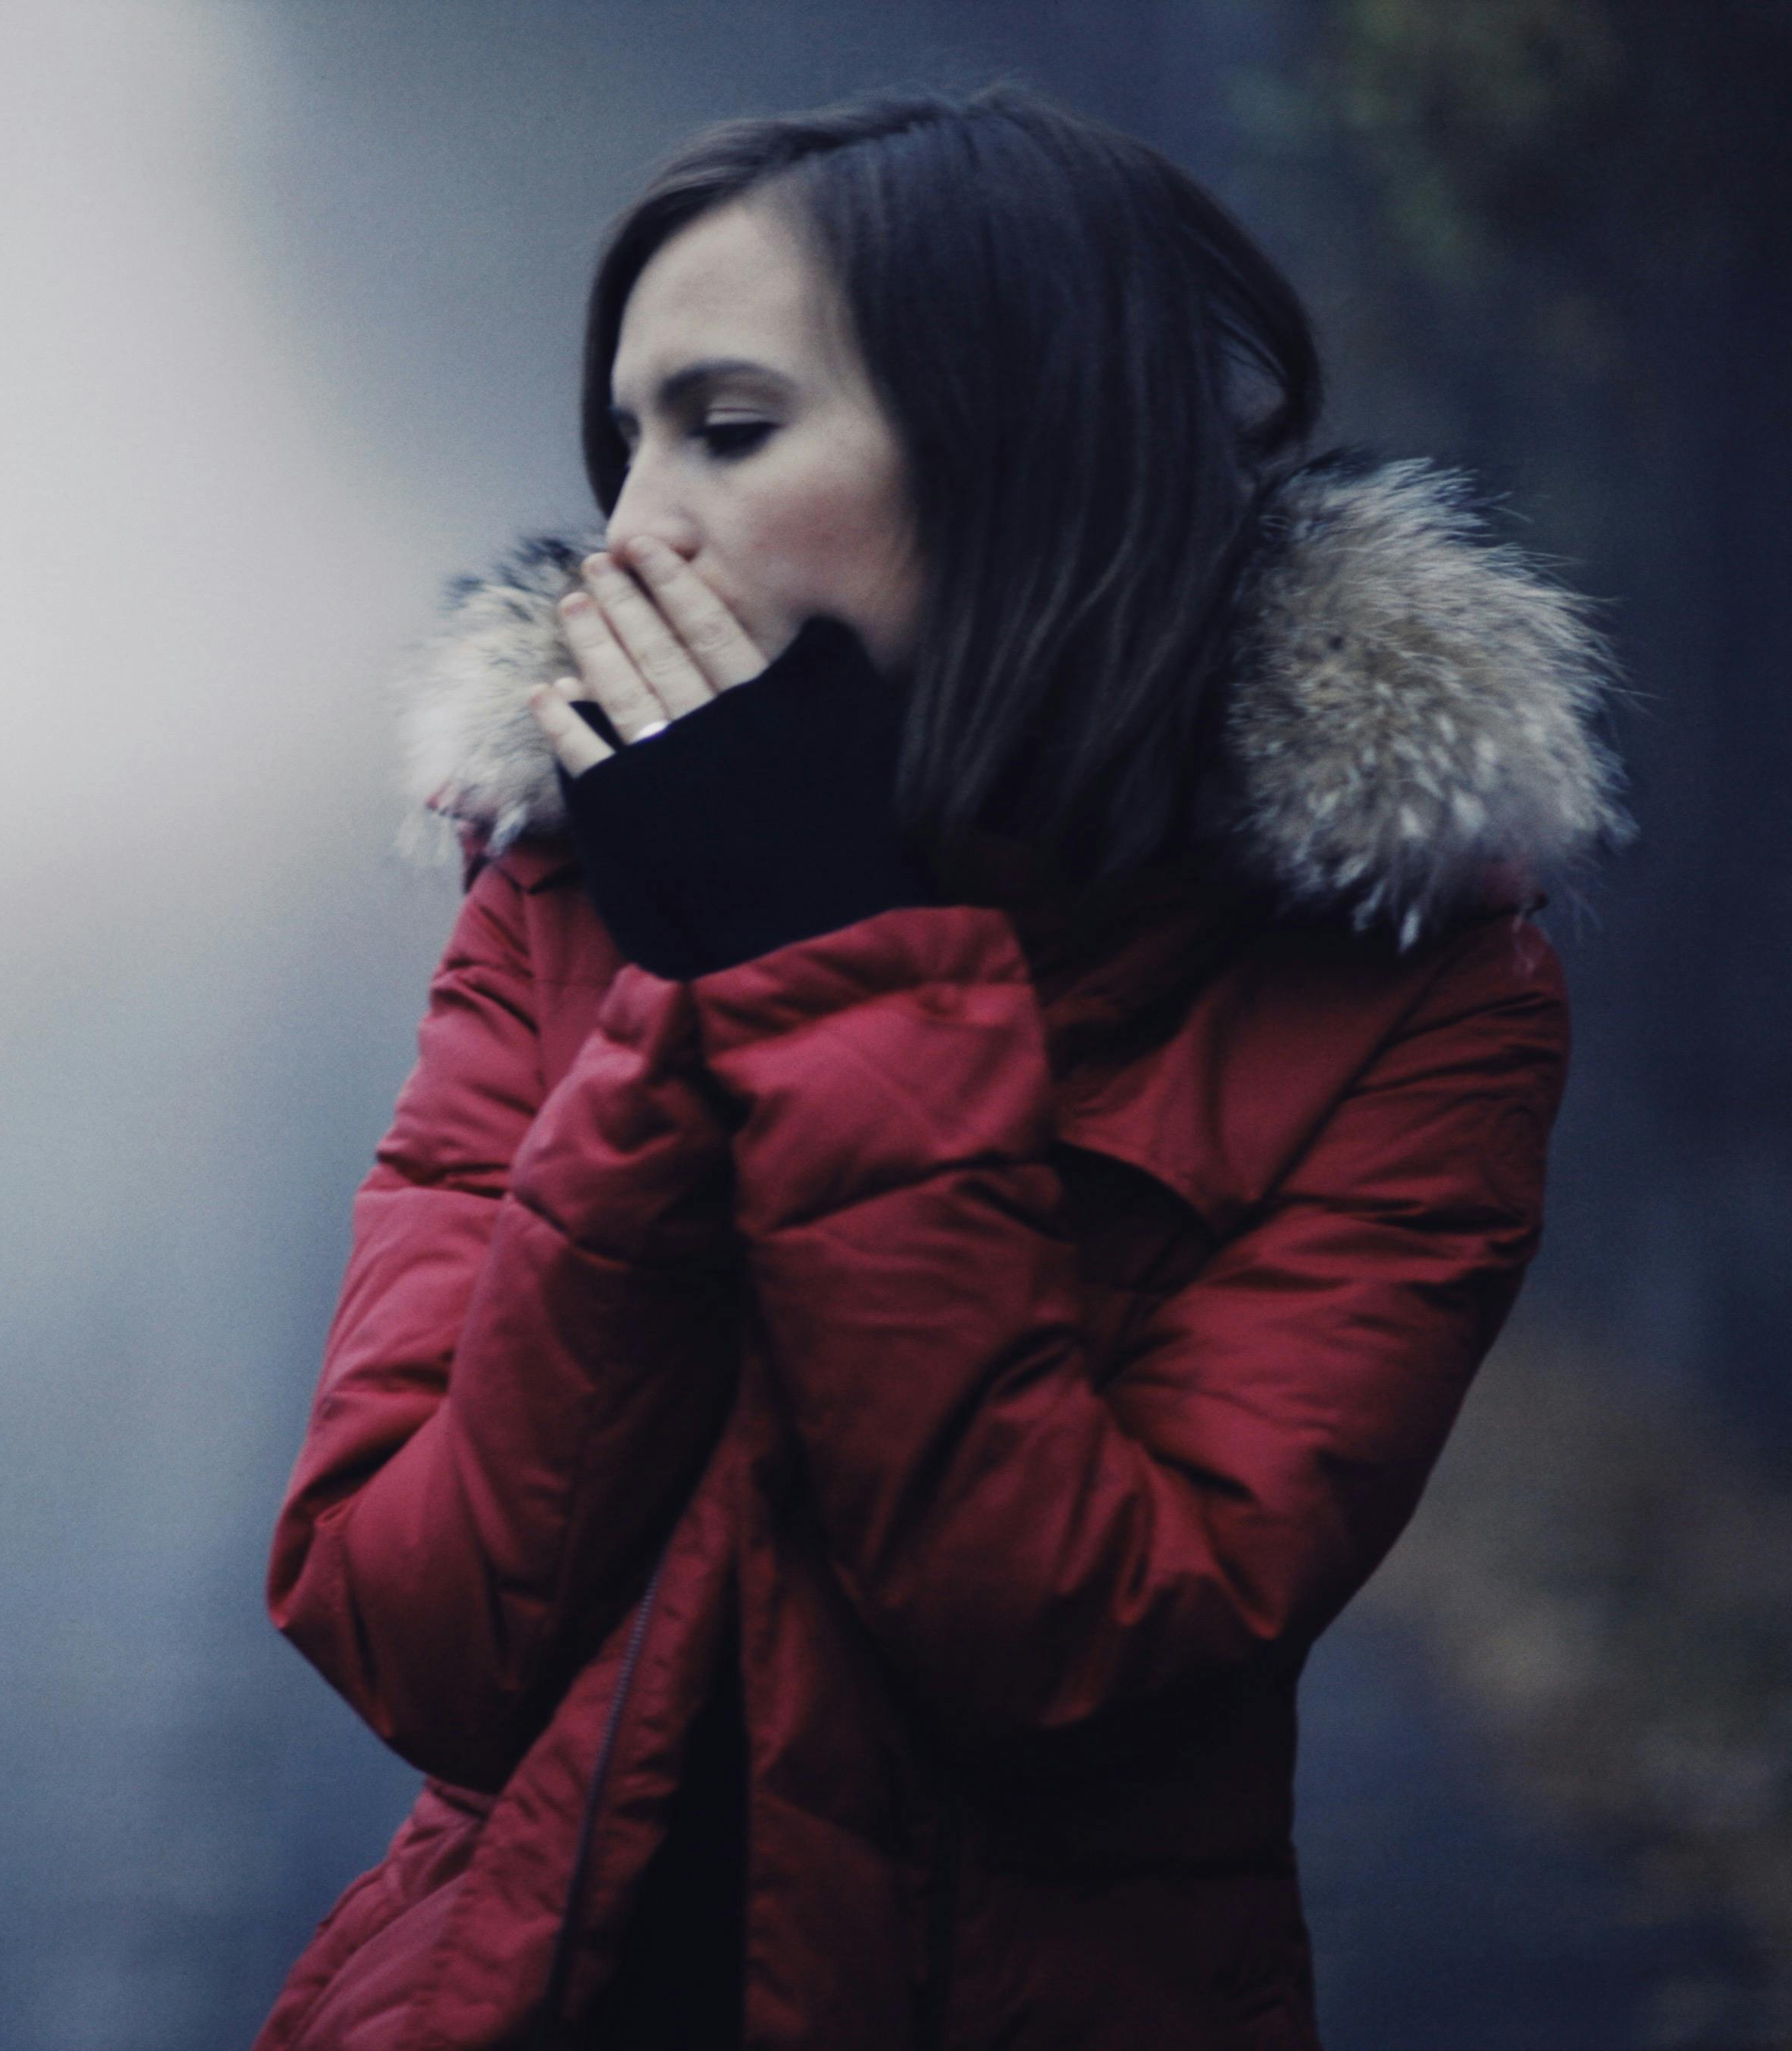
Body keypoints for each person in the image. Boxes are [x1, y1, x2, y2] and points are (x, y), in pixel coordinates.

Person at [254, 85, 1626, 2051]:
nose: (636, 532)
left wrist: (829, 979)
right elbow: (418, 1634)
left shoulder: (1401, 989)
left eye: (727, 431)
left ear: (1025, 459)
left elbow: (1085, 1655)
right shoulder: (564, 897)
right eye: (620, 442)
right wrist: (690, 1005)